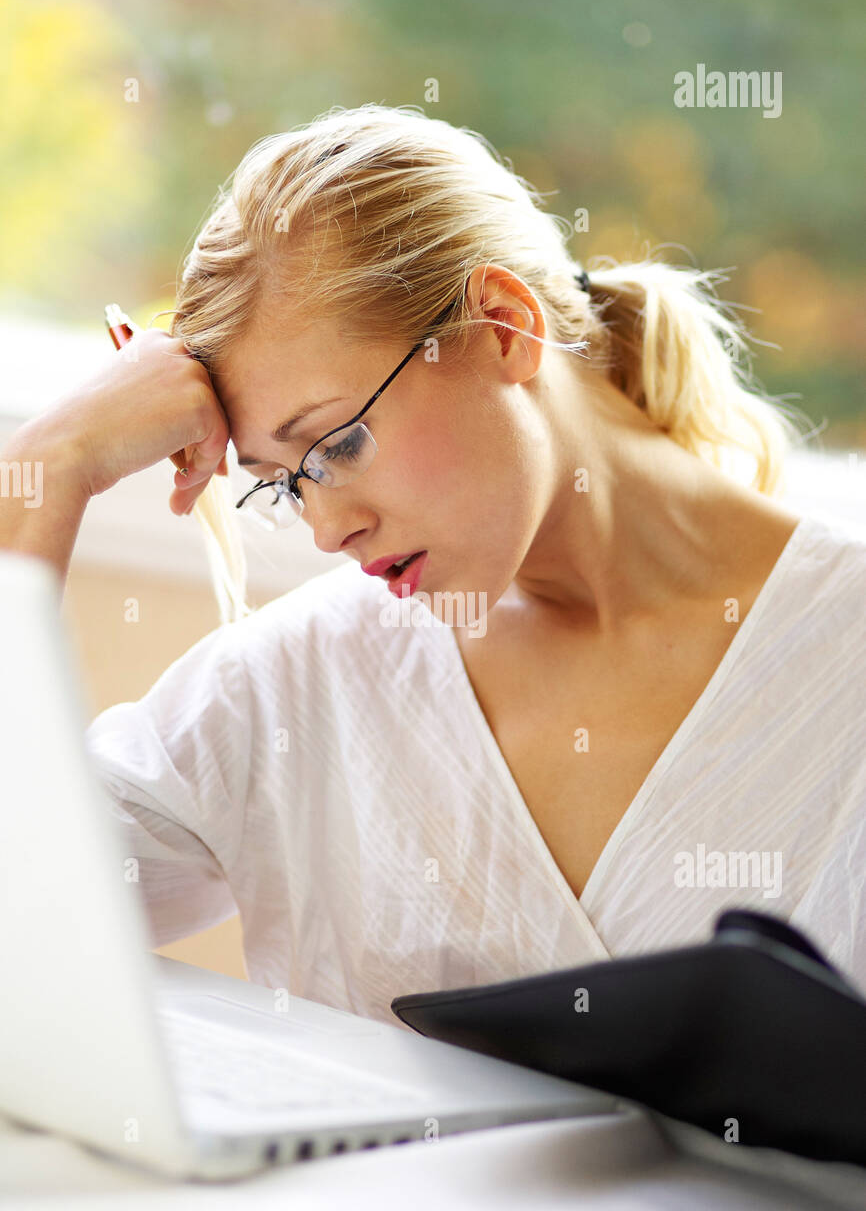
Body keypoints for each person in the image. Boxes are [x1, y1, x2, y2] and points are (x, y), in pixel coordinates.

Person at [2, 102, 864, 1024]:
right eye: (284, 483)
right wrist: (50, 466)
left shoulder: (839, 660)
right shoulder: (293, 688)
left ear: (503, 327)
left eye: (336, 445)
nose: (328, 531)